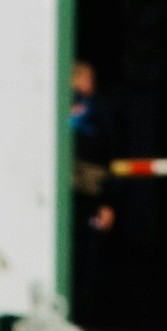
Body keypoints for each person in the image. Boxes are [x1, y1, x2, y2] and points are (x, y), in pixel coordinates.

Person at [69, 55, 119, 245]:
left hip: (92, 192)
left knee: (90, 247)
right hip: (67, 192)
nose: (89, 83)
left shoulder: (100, 109)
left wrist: (108, 203)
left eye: (90, 78)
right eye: (82, 77)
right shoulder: (54, 108)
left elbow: (111, 154)